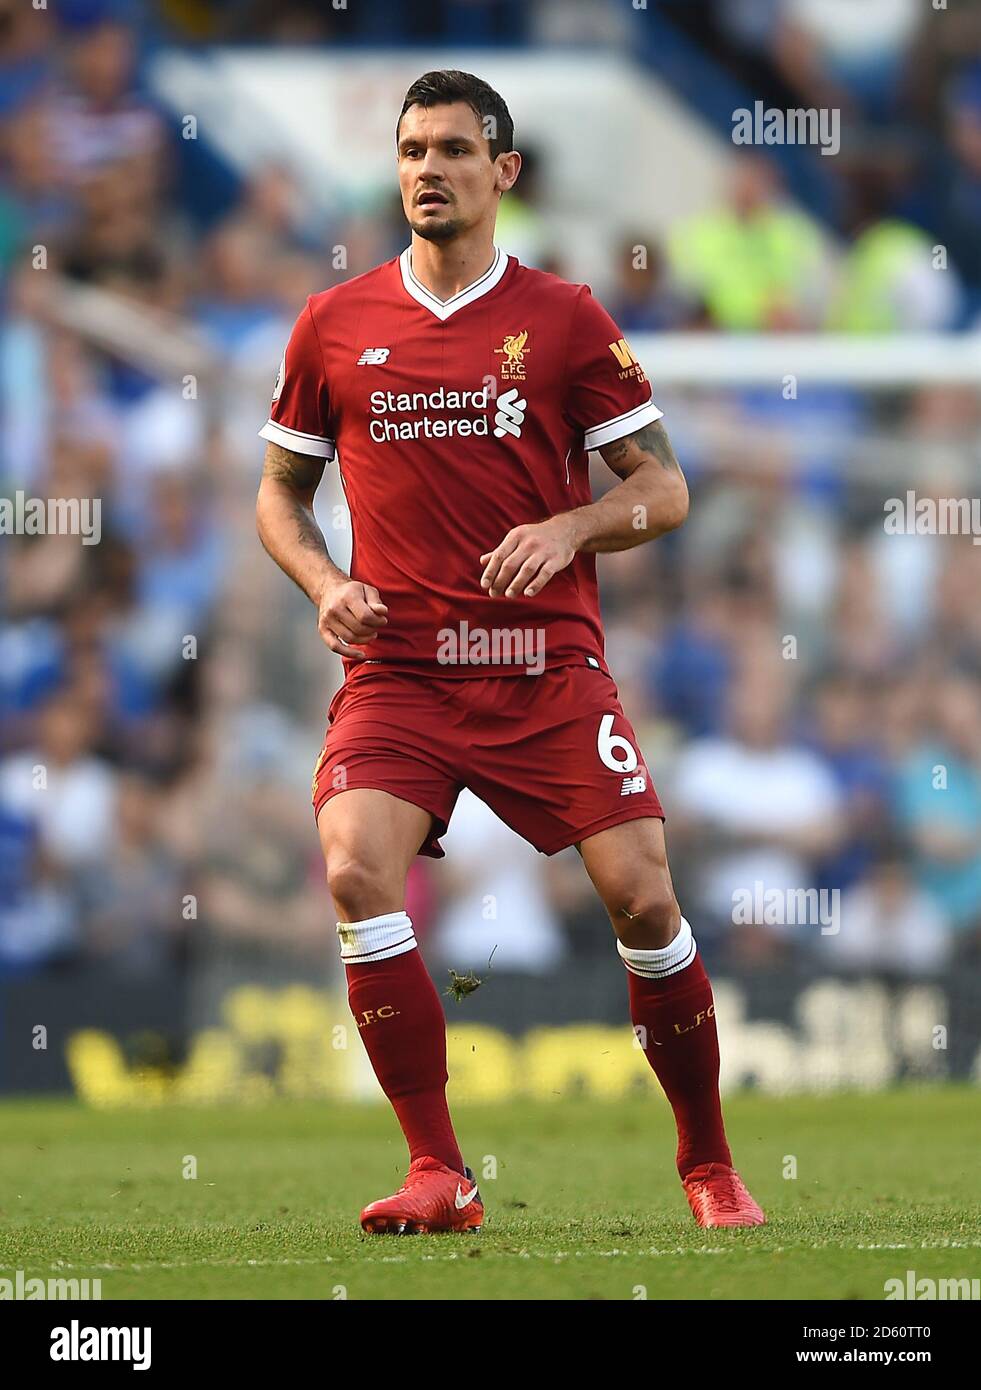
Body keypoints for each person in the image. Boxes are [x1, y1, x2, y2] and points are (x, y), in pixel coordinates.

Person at [255, 69, 765, 1235]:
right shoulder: (332, 327)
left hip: (542, 666)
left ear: (503, 171)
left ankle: (709, 1166)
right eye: (410, 152)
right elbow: (278, 498)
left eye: (450, 149)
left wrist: (573, 524)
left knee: (640, 897)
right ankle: (440, 1170)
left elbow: (668, 489)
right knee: (351, 869)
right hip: (402, 669)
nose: (427, 170)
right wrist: (327, 583)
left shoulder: (569, 318)